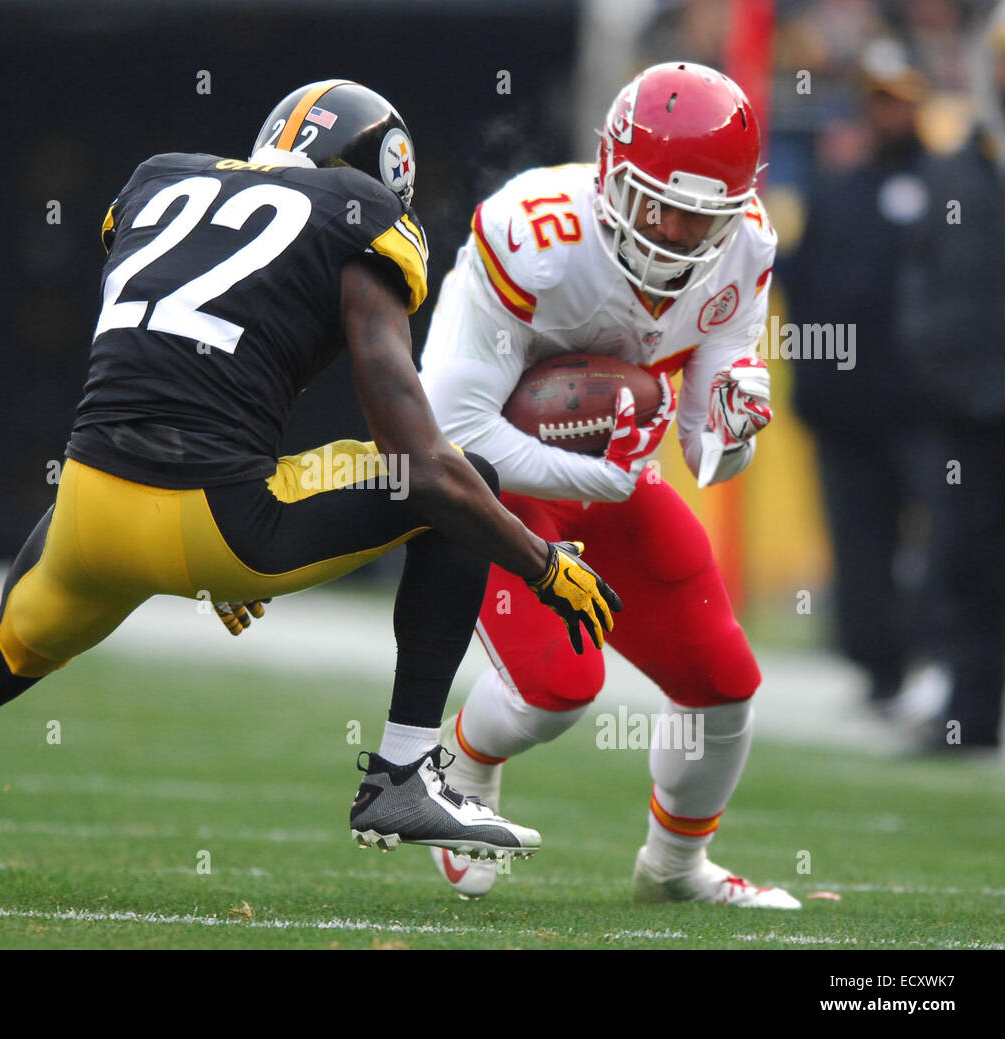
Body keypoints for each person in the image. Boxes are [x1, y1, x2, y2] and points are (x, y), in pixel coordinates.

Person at [0, 80, 623, 893]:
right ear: (380, 172)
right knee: (470, 483)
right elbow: (427, 467)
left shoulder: (159, 181)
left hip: (87, 509)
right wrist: (542, 563)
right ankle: (401, 773)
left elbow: (159, 361)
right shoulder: (356, 215)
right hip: (222, 522)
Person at [417, 62, 799, 907]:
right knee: (558, 686)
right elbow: (448, 439)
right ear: (610, 172)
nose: (674, 229)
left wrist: (734, 433)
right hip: (495, 482)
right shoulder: (534, 234)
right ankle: (460, 766)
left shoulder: (742, 245)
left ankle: (673, 867)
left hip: (608, 478)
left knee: (722, 676)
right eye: (658, 200)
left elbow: (704, 450)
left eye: (702, 214)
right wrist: (600, 470)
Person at [783, 41, 929, 713]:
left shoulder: (946, 186)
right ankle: (880, 665)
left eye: (897, 98)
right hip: (848, 410)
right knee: (861, 547)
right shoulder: (837, 191)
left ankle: (946, 661)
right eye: (879, 98)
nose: (888, 112)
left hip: (927, 406)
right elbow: (807, 289)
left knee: (948, 543)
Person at [894, 9, 1005, 753]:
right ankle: (967, 713)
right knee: (963, 561)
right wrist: (949, 375)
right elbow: (919, 288)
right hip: (969, 410)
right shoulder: (949, 170)